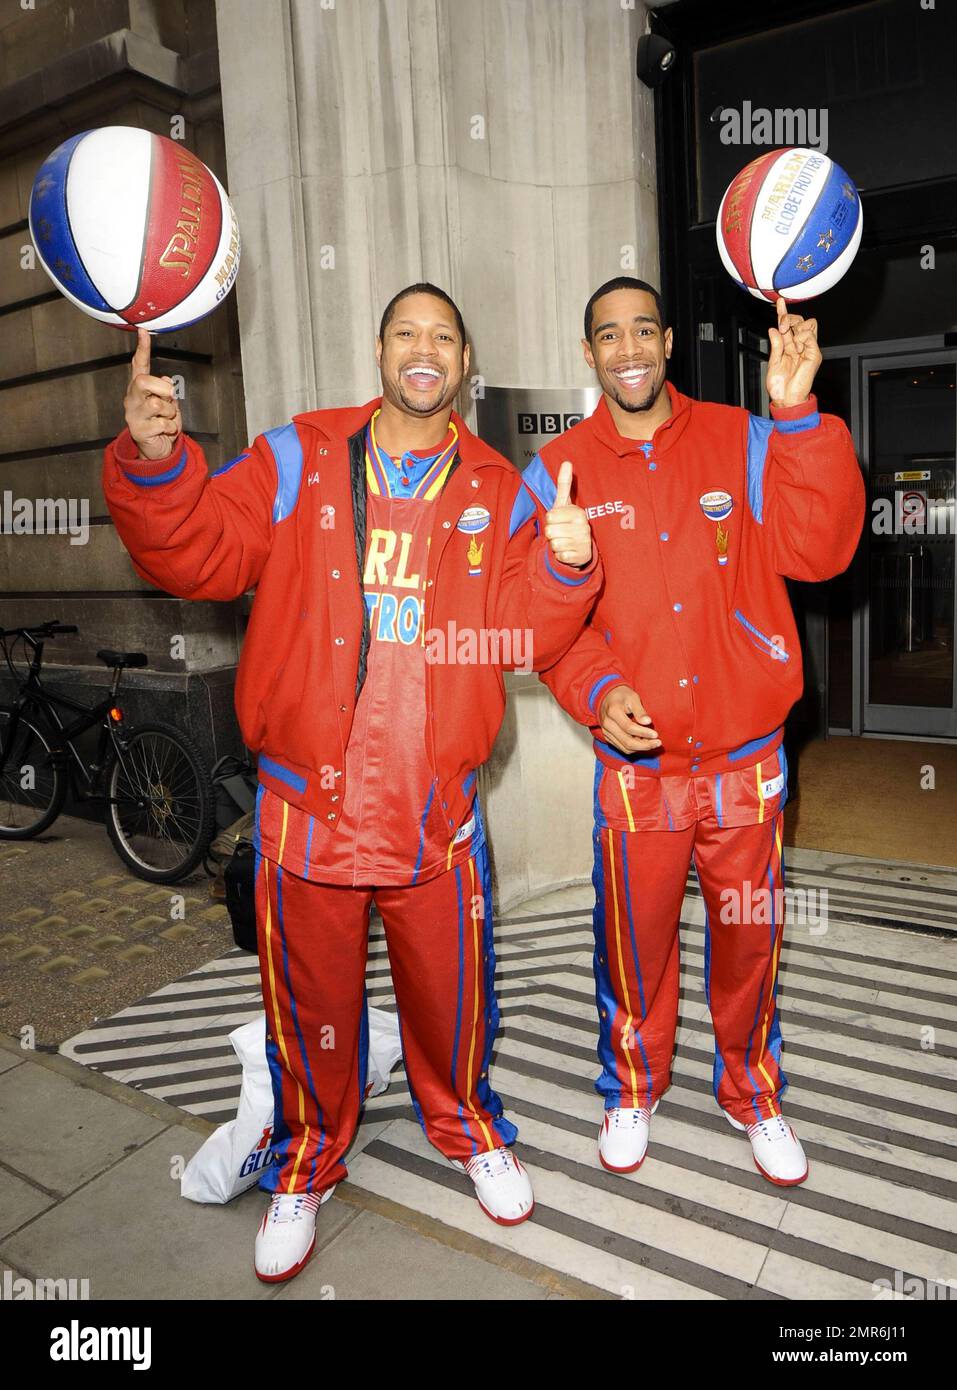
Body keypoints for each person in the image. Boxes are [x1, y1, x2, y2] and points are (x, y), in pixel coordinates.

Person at [103, 283, 600, 1281]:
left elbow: (522, 634)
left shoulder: (499, 486)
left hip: (433, 811)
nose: (426, 352)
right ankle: (307, 1160)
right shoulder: (299, 455)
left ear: (465, 363)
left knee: (451, 1001)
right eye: (407, 334)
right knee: (310, 1005)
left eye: (444, 338)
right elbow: (203, 551)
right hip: (308, 808)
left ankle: (465, 1125)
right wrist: (157, 464)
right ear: (380, 352)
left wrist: (568, 569)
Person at [525, 276, 864, 1186]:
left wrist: (794, 417)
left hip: (745, 756)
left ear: (669, 342)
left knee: (747, 935)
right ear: (587, 352)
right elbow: (539, 630)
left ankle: (753, 1092)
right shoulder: (555, 473)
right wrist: (598, 693)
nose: (628, 348)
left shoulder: (742, 438)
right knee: (632, 939)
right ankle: (631, 1085)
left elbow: (821, 548)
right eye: (608, 335)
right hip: (637, 767)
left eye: (644, 330)